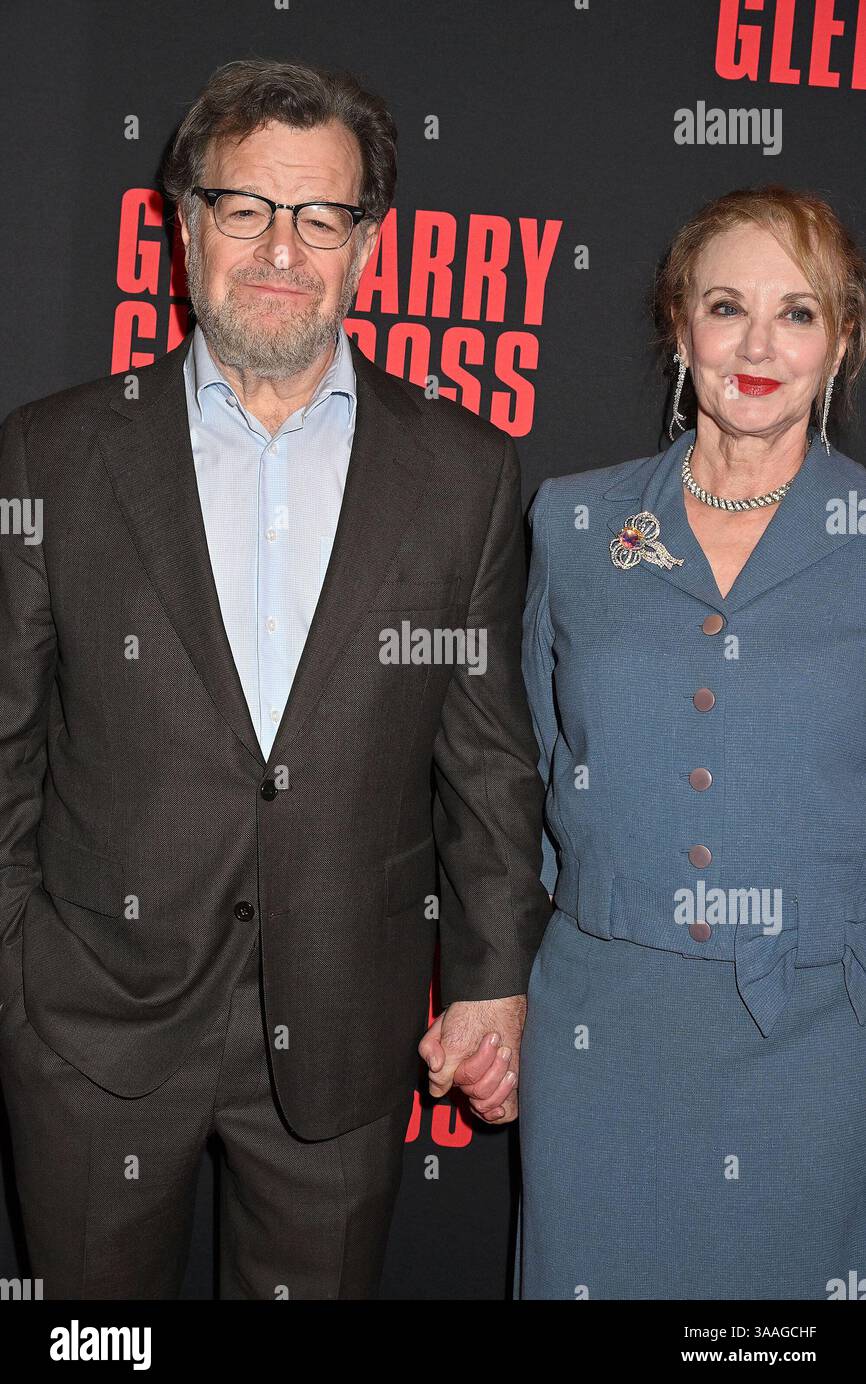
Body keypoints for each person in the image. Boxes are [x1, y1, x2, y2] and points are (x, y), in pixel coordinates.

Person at [0, 57, 551, 1299]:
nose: (279, 250)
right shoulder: (51, 452)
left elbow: (485, 762)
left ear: (369, 243)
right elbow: (6, 743)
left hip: (347, 1034)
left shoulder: (462, 472)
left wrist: (491, 979)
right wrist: (17, 983)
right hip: (90, 1026)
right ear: (185, 224)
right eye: (245, 209)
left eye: (320, 217)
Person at [514, 185, 866, 1298]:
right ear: (678, 327)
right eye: (725, 306)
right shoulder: (573, 524)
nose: (758, 345)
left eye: (797, 312)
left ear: (840, 341)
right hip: (599, 1033)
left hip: (818, 1036)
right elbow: (525, 765)